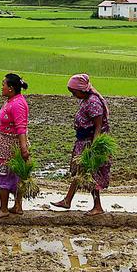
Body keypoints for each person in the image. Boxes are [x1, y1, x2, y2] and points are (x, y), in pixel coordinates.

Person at [51, 73, 110, 214]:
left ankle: (97, 206)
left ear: (82, 89)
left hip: (90, 143)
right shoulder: (85, 100)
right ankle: (67, 200)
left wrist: (93, 148)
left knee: (90, 173)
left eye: (74, 92)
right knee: (80, 172)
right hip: (83, 141)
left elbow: (98, 127)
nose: (73, 95)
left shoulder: (93, 102)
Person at [0, 72, 31, 219]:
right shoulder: (12, 100)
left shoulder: (17, 104)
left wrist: (23, 148)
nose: (1, 87)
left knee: (5, 175)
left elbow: (21, 128)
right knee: (15, 175)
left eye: (4, 84)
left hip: (10, 145)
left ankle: (4, 209)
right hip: (6, 143)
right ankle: (17, 206)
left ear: (11, 88)